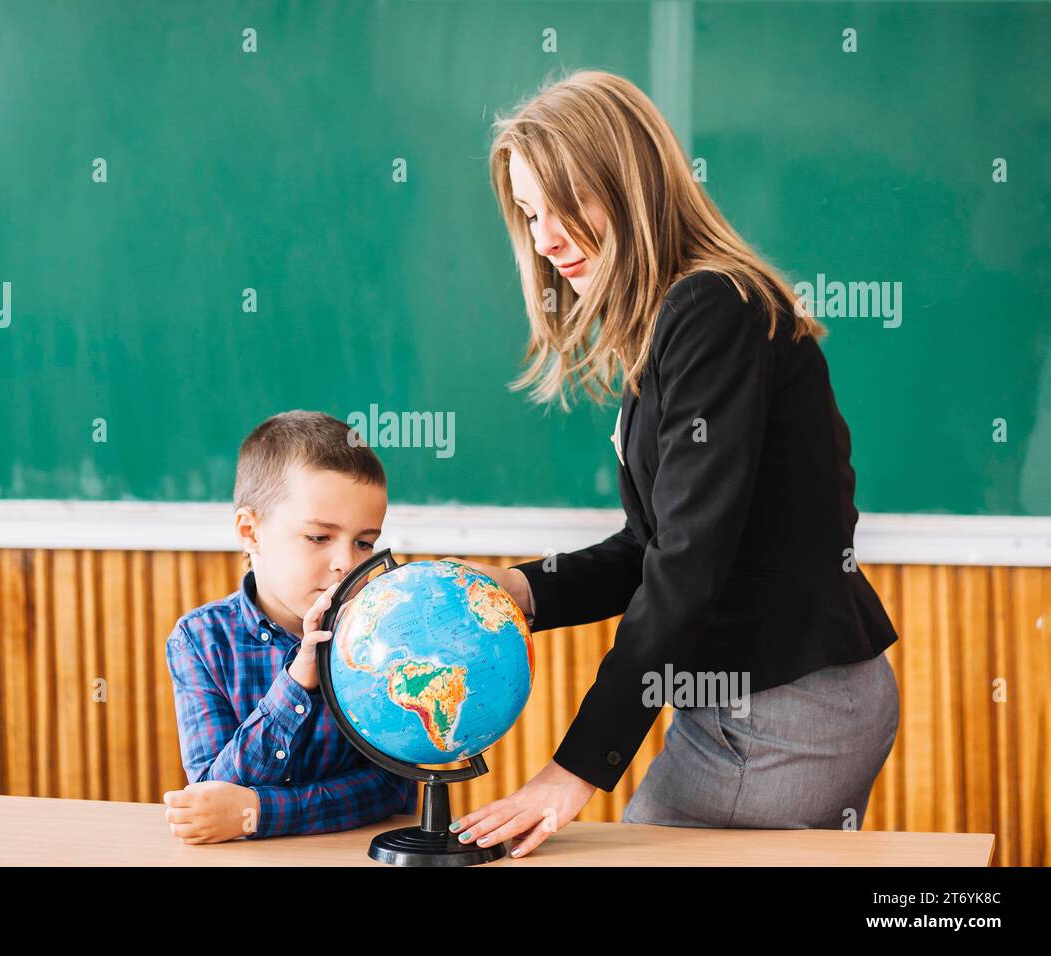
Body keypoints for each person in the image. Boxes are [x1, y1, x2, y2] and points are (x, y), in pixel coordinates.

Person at [447, 71, 900, 859]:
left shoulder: (711, 310)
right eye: (529, 213)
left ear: (632, 184)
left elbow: (688, 564)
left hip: (782, 711)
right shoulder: (681, 320)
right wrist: (521, 588)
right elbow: (654, 547)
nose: (547, 239)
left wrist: (571, 771)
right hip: (743, 706)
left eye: (566, 202)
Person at [163, 410, 418, 842]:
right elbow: (214, 792)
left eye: (364, 543)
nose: (346, 563)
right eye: (319, 538)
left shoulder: (382, 636)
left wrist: (260, 812)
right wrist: (297, 683)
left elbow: (391, 787)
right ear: (251, 532)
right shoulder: (201, 641)